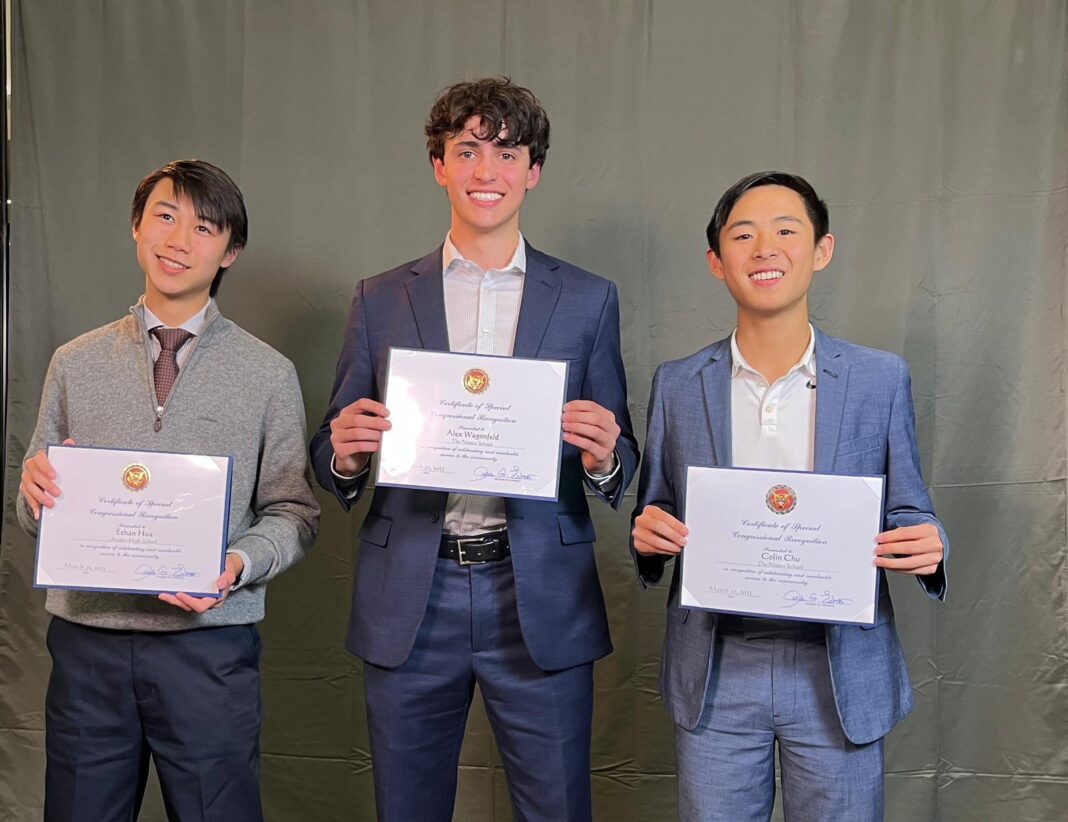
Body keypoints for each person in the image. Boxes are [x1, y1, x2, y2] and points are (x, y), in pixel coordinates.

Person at [310, 77, 638, 821]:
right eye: (467, 151)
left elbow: (622, 461)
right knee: (407, 808)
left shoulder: (588, 299)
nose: (486, 172)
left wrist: (605, 457)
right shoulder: (381, 297)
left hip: (540, 596)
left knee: (556, 807)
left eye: (506, 152)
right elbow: (330, 452)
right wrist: (346, 454)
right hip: (411, 597)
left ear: (533, 170)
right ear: (439, 165)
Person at [631, 171, 948, 821]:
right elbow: (654, 505)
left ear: (821, 251)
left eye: (786, 231)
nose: (765, 248)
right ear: (717, 262)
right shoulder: (678, 384)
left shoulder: (878, 379)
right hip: (718, 667)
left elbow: (909, 506)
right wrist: (648, 532)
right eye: (743, 235)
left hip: (836, 669)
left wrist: (929, 541)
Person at [17, 159, 320, 822]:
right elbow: (38, 507)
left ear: (230, 251)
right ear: (136, 227)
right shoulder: (75, 362)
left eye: (204, 227)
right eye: (165, 215)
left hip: (208, 647)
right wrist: (34, 493)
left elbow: (294, 512)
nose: (179, 238)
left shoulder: (268, 373)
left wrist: (236, 564)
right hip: (88, 644)